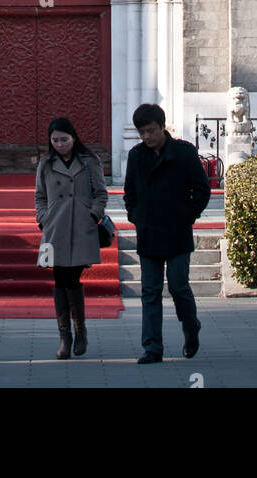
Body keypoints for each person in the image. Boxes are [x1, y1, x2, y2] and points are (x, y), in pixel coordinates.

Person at [123, 103, 211, 364]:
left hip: (176, 231)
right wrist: (137, 217)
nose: (146, 137)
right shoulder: (137, 156)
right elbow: (130, 194)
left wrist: (186, 216)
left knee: (178, 285)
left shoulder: (183, 153)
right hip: (149, 232)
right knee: (150, 291)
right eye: (142, 132)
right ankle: (152, 346)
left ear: (163, 127)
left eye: (151, 131)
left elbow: (201, 190)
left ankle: (190, 327)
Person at [35, 116, 107, 359]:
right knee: (59, 279)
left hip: (81, 228)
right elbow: (39, 196)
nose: (59, 144)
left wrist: (93, 214)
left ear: (73, 137)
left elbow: (101, 193)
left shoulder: (89, 162)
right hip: (54, 229)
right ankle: (65, 337)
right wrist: (43, 217)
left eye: (64, 139)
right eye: (54, 140)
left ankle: (80, 330)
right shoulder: (45, 164)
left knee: (72, 277)